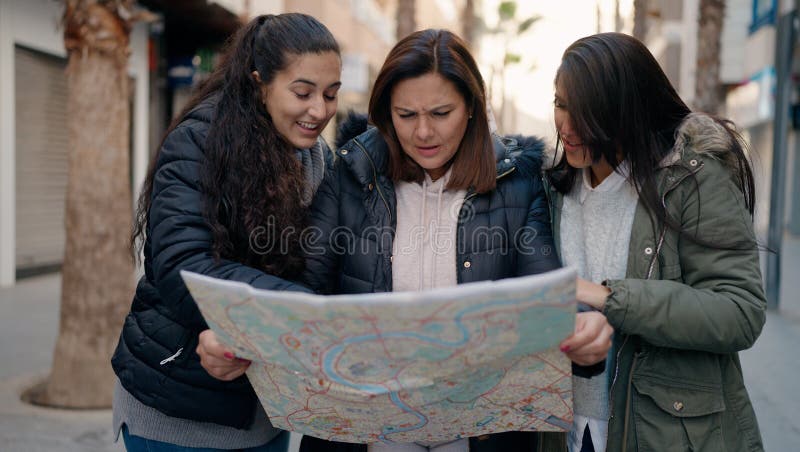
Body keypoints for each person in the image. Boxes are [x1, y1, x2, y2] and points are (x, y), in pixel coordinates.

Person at [293, 29, 612, 452]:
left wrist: (579, 324)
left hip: (477, 426)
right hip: (367, 422)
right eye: (406, 115)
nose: (423, 132)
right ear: (387, 113)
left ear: (472, 109)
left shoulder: (515, 183)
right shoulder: (351, 173)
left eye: (441, 113)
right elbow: (305, 288)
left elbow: (543, 288)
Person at [110, 13, 342, 451]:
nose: (320, 110)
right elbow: (183, 264)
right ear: (259, 82)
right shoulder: (201, 140)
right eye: (303, 92)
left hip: (265, 412)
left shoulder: (318, 160)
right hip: (178, 406)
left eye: (331, 94)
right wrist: (301, 310)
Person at [546, 32, 767, 452]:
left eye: (587, 113)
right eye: (560, 104)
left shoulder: (691, 182)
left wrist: (609, 297)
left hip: (663, 433)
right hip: (565, 430)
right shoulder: (550, 190)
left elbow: (740, 310)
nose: (568, 127)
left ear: (627, 111)